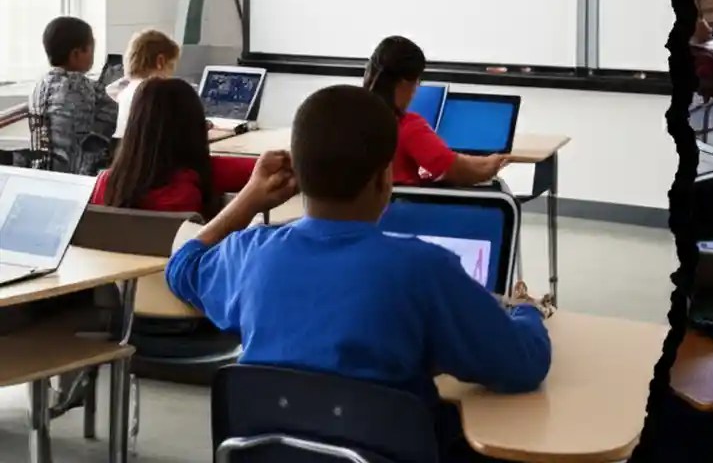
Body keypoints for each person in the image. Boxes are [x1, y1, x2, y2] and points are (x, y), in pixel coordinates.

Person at [166, 85, 551, 459]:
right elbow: (523, 365)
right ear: (385, 178)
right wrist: (526, 311)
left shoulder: (251, 254)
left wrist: (251, 197)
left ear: (298, 172)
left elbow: (182, 264)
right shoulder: (423, 269)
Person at [92, 78, 255, 219]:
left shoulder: (106, 184)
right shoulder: (202, 175)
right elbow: (269, 168)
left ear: (134, 128)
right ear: (195, 128)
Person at [364, 36, 508, 186]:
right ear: (404, 83)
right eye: (417, 81)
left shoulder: (348, 116)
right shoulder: (407, 127)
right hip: (403, 207)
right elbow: (455, 170)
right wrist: (490, 165)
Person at [28, 17, 117, 175]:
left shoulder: (40, 83)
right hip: (73, 176)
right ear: (76, 54)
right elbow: (114, 110)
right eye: (90, 49)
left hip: (40, 172)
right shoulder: (79, 84)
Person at [112, 29, 180, 139]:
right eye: (171, 65)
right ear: (160, 61)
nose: (171, 73)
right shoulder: (155, 93)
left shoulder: (126, 92)